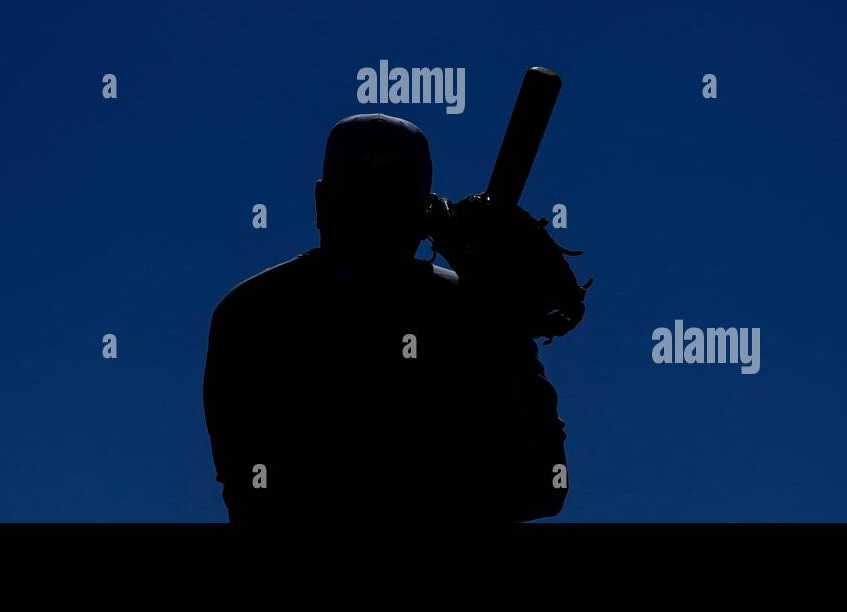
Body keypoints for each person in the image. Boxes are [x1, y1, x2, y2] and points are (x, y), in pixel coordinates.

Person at [202, 113, 576, 522]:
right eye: (361, 196)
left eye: (387, 198)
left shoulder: (253, 310)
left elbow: (544, 483)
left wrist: (504, 329)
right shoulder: (255, 315)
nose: (372, 215)